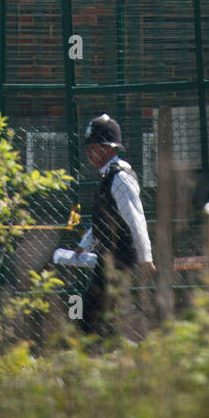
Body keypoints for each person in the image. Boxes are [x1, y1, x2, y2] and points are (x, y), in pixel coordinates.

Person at [76, 113, 155, 336]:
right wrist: (85, 244)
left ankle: (134, 346)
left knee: (94, 308)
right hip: (108, 255)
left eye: (94, 147)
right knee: (102, 307)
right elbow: (104, 218)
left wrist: (145, 257)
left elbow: (136, 219)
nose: (89, 152)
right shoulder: (107, 175)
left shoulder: (120, 178)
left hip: (120, 255)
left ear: (107, 148)